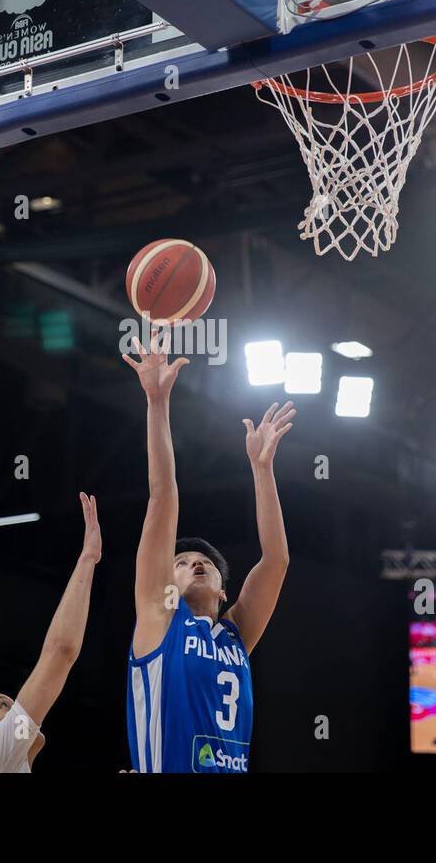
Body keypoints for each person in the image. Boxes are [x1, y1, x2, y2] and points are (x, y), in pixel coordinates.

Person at [121, 328, 295, 773]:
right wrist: (157, 403)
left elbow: (275, 561)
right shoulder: (160, 618)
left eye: (204, 564)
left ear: (222, 592)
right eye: (179, 564)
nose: (194, 563)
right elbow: (162, 495)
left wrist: (262, 470)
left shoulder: (236, 634)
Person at [0, 492, 103, 772]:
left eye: (9, 705)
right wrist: (88, 559)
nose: (18, 709)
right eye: (5, 706)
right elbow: (60, 651)